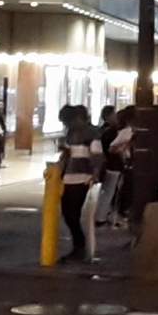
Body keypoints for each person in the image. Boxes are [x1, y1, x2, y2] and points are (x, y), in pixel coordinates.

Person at [57, 105, 100, 261]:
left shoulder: (91, 133)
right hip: (69, 177)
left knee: (72, 213)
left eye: (67, 121)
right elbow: (69, 154)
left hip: (83, 177)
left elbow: (97, 156)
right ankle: (79, 245)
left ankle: (80, 246)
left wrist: (94, 175)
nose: (66, 125)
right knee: (68, 213)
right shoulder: (70, 133)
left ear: (77, 119)